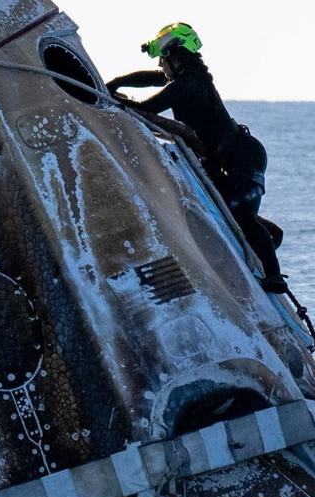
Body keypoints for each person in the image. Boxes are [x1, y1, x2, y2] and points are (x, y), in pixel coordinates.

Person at [107, 23, 288, 294]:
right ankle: (271, 237)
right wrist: (117, 82)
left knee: (242, 214)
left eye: (163, 59)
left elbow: (149, 107)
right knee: (230, 211)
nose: (160, 64)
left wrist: (114, 96)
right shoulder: (187, 78)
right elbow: (153, 78)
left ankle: (274, 277)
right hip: (229, 159)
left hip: (244, 155)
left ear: (176, 58)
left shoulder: (188, 84)